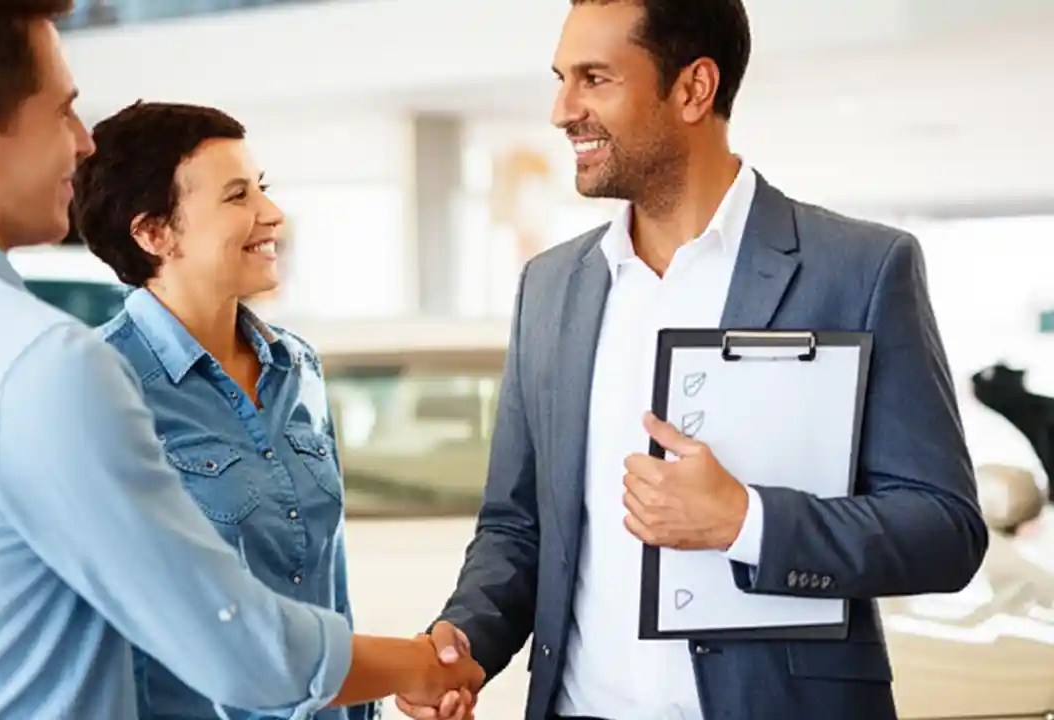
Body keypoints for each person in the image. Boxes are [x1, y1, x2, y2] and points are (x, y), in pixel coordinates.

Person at [0, 1, 482, 718]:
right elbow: (235, 645)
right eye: (63, 113)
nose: (83, 145)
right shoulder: (42, 365)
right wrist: (419, 665)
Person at [398, 1, 988, 719]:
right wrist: (466, 643)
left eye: (595, 78)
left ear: (693, 89)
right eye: (561, 78)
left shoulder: (860, 269)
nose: (562, 110)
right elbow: (517, 527)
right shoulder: (551, 286)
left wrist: (746, 520)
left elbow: (945, 529)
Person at [70, 101, 381, 720]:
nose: (272, 214)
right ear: (154, 232)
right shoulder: (101, 386)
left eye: (261, 189)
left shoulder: (298, 367)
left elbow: (331, 586)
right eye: (237, 196)